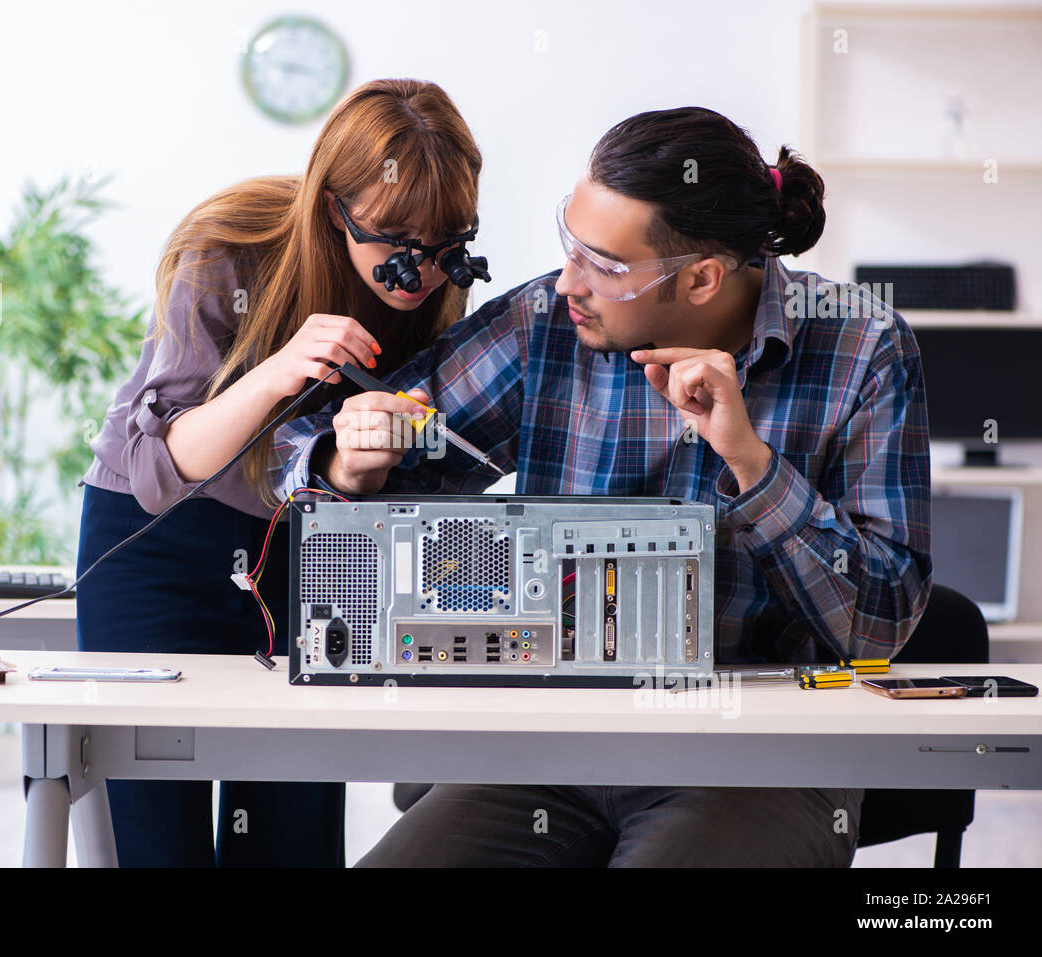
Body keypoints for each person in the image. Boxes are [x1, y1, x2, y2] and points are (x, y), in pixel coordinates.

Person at [271, 106, 933, 866]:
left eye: (605, 266)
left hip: (762, 756)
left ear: (702, 277)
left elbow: (881, 623)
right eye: (571, 245)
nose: (567, 282)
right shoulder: (544, 325)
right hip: (554, 749)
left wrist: (751, 463)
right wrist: (348, 462)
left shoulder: (863, 348)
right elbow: (303, 448)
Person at [75, 78, 486, 867]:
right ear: (335, 207)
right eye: (397, 242)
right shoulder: (229, 245)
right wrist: (274, 374)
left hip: (310, 544)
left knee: (291, 829)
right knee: (157, 829)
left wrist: (364, 466)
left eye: (446, 245)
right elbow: (165, 467)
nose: (423, 272)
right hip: (159, 538)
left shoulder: (437, 287)